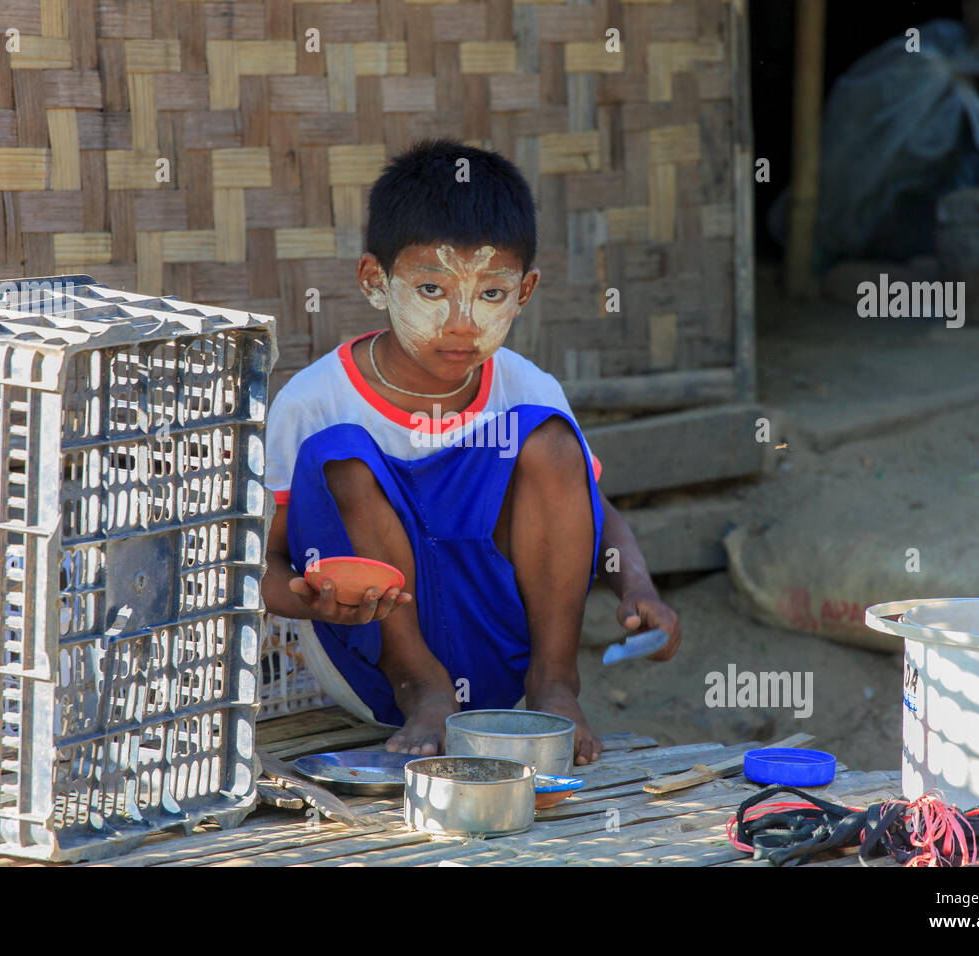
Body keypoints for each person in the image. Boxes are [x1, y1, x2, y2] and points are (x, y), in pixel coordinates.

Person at [262, 137, 680, 765]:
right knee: (342, 454)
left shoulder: (527, 389)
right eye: (432, 289)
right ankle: (423, 685)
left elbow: (596, 513)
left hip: (502, 660)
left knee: (547, 440)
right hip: (372, 669)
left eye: (491, 294)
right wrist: (309, 597)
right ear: (376, 281)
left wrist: (638, 588)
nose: (462, 322)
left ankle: (554, 684)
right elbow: (259, 565)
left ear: (525, 292)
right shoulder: (313, 401)